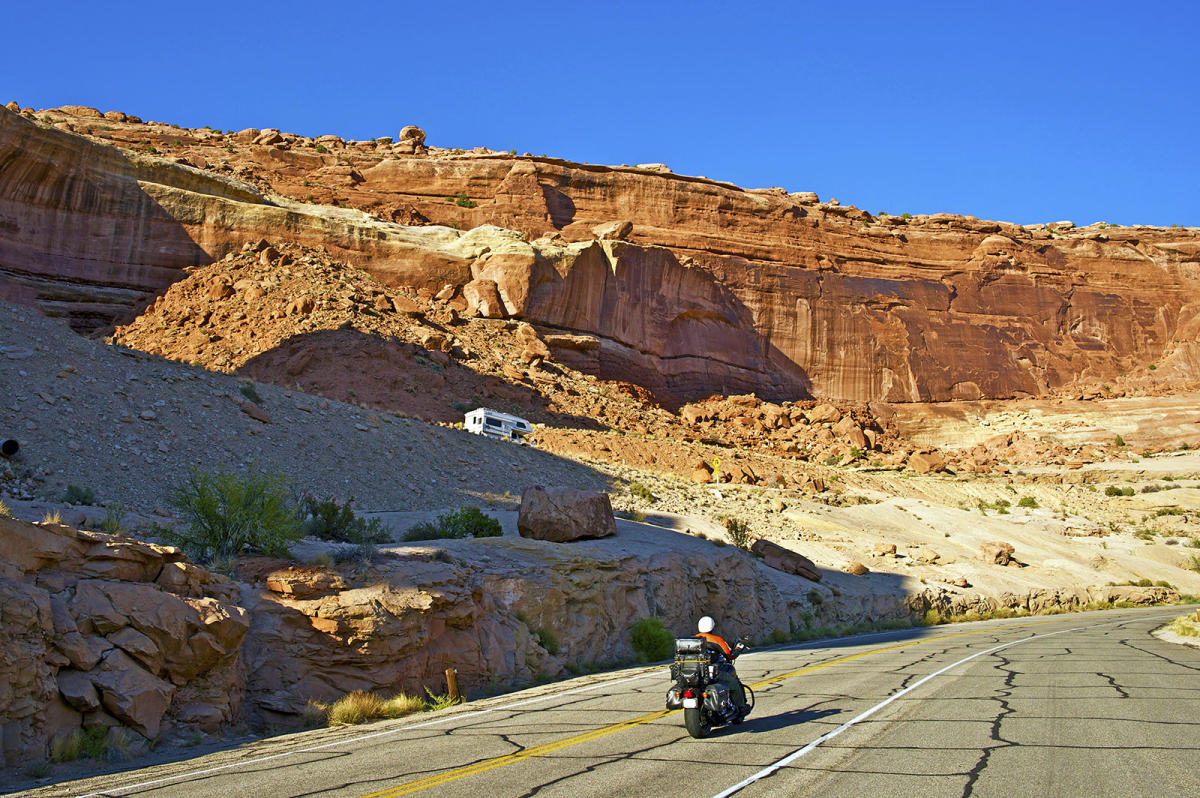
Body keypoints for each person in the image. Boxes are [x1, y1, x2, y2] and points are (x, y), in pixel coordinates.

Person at [695, 616, 749, 718]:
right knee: (734, 684)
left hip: (695, 672)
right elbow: (730, 655)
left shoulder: (692, 639)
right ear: (712, 627)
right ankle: (741, 708)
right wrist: (738, 649)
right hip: (711, 672)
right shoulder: (716, 640)